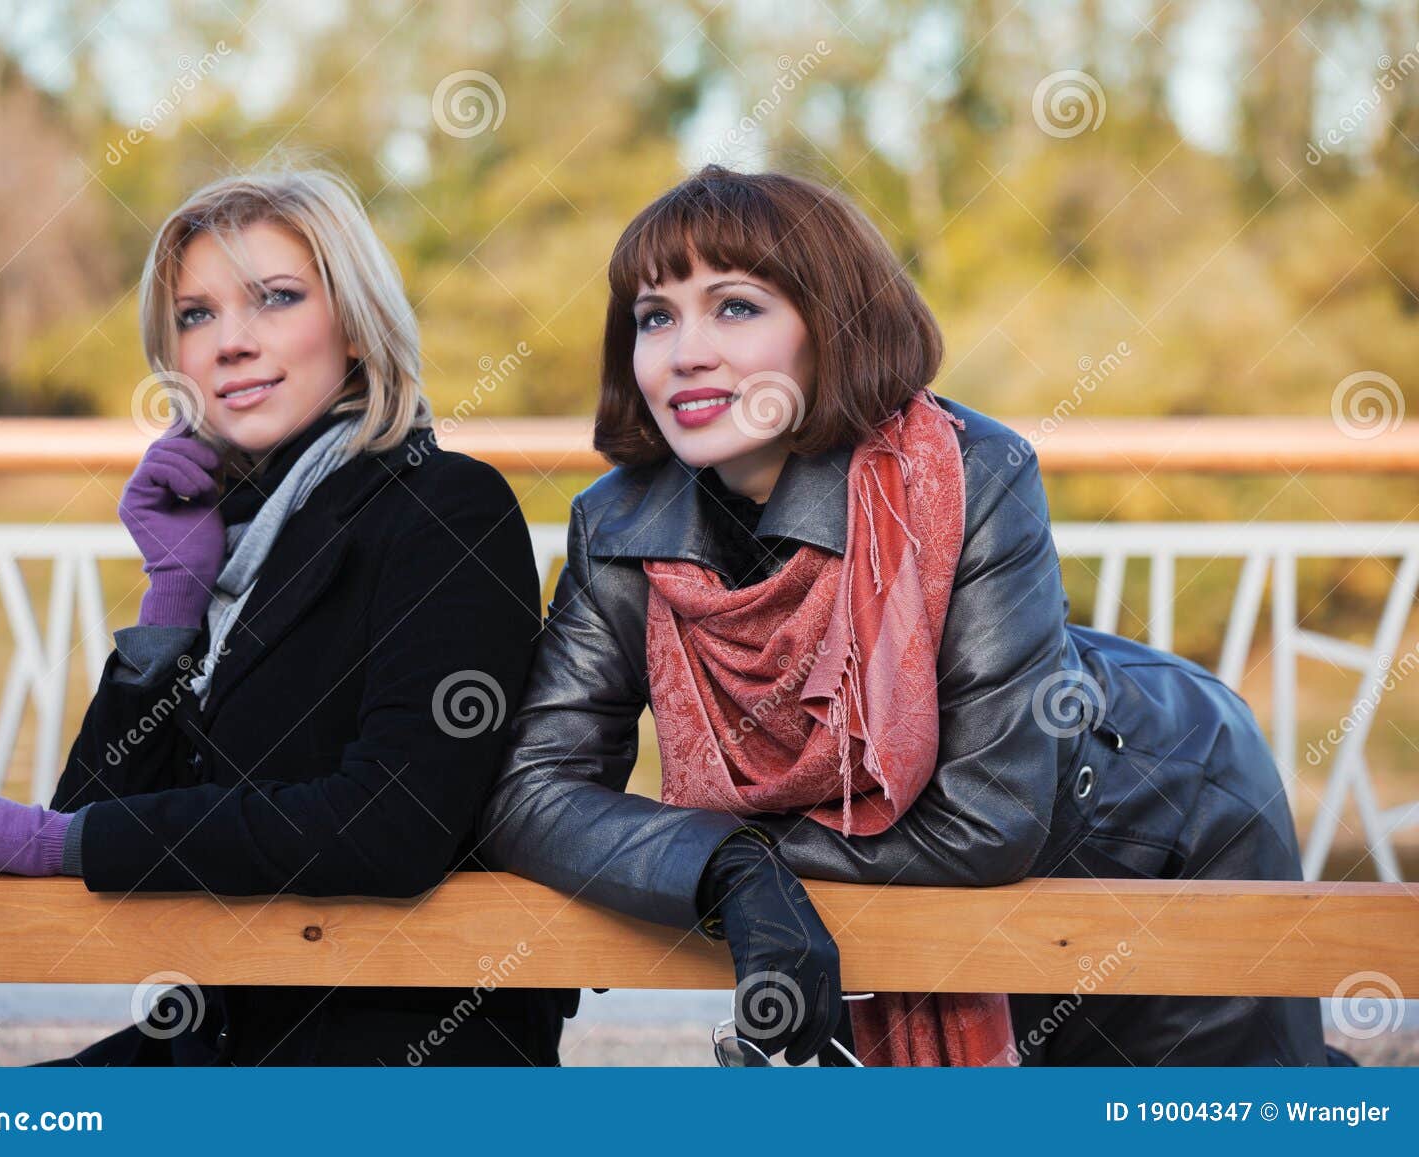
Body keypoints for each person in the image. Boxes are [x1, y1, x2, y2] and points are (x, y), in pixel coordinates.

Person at [479, 165, 1332, 1067]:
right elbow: (533, 789)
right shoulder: (619, 521)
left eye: (735, 307)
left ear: (833, 325)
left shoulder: (971, 474)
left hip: (1156, 822)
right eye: (656, 316)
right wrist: (727, 872)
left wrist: (733, 856)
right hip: (882, 882)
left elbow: (988, 819)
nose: (685, 351)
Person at [0, 167, 568, 1066]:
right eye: (197, 315)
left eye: (276, 299)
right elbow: (98, 818)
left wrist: (44, 836)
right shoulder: (238, 537)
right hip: (220, 1038)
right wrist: (173, 598)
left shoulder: (447, 506)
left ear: (359, 328)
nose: (230, 343)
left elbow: (390, 827)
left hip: (397, 1058)